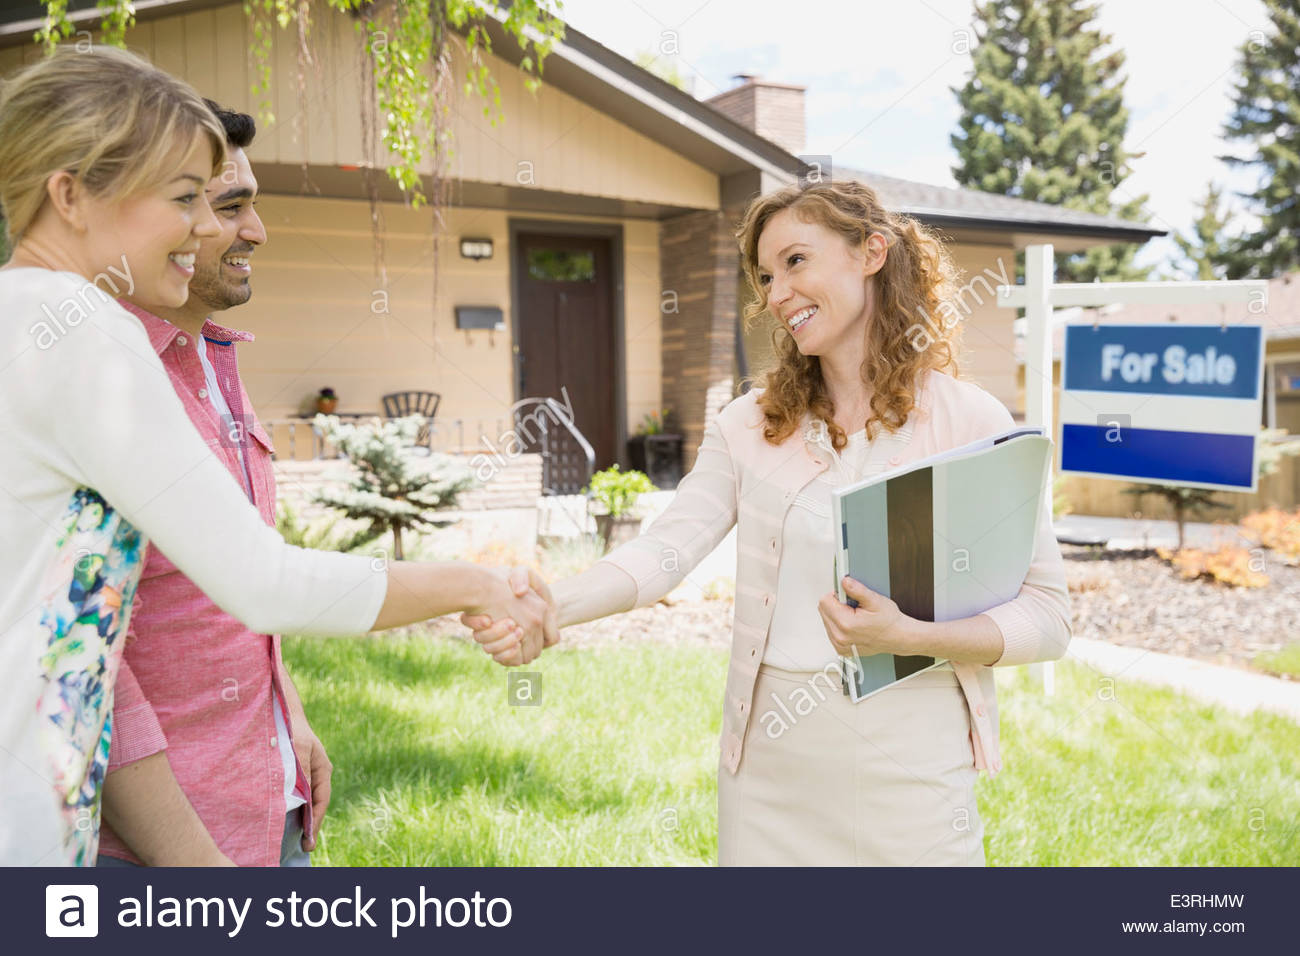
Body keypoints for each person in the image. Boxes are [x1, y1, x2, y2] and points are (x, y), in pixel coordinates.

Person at [0, 46, 554, 868]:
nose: (204, 226)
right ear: (71, 195)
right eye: (184, 198)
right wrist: (474, 582)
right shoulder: (84, 333)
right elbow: (266, 582)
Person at [467, 180, 1071, 866]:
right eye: (764, 275)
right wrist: (554, 606)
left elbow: (1048, 616)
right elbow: (668, 549)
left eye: (795, 261)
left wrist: (911, 636)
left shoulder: (972, 423)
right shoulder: (751, 424)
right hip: (772, 773)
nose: (776, 293)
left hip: (914, 763)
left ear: (871, 252)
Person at [96, 100, 341, 868]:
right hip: (156, 851)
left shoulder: (212, 359)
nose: (256, 232)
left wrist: (285, 713)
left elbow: (227, 588)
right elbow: (92, 660)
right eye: (229, 207)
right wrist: (194, 868)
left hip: (270, 804)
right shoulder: (101, 380)